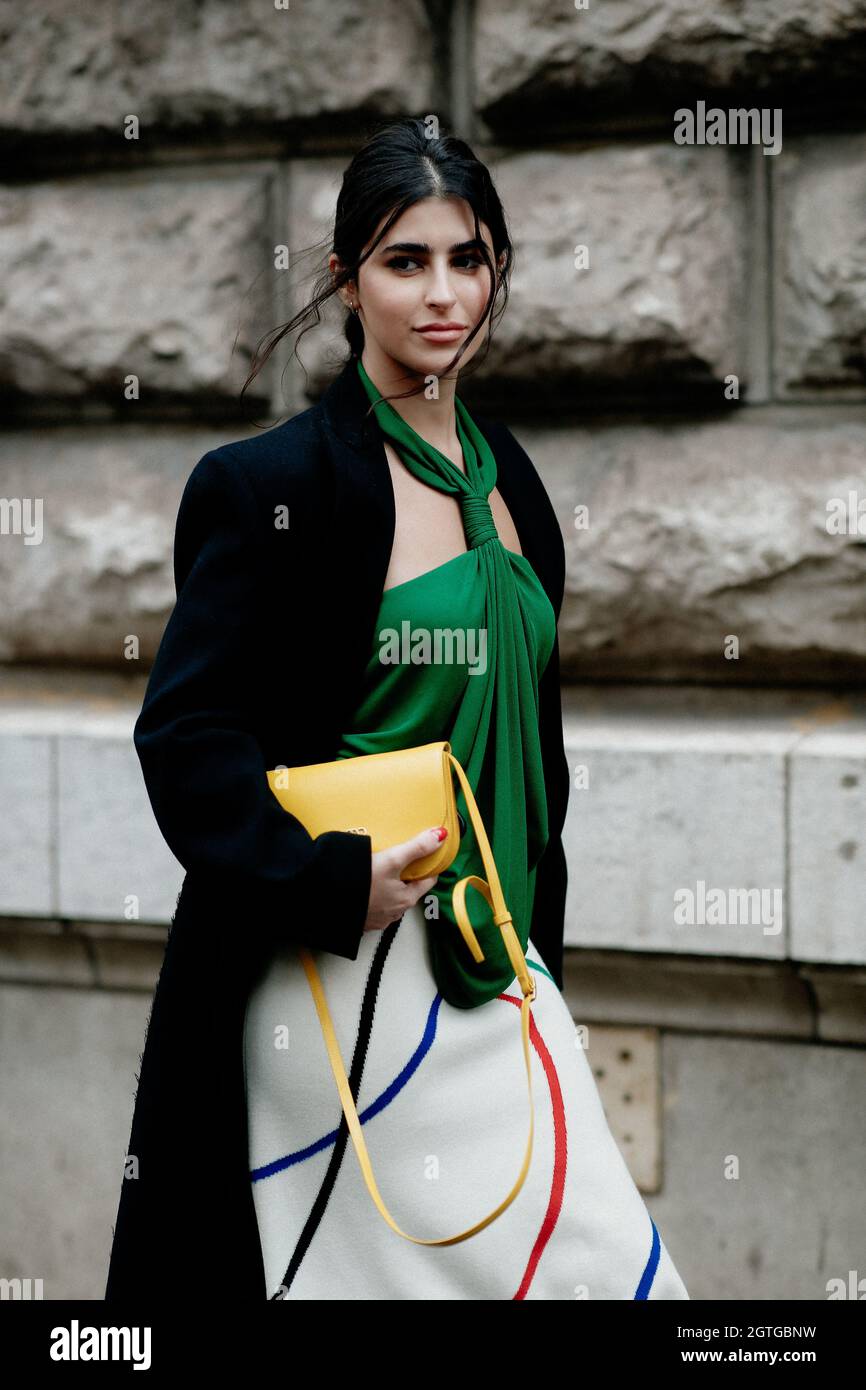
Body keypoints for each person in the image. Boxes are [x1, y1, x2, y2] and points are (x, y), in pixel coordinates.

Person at [106, 117, 688, 1301]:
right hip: (338, 983)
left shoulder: (512, 480)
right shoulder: (269, 488)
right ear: (344, 281)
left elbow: (538, 762)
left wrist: (538, 969)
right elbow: (186, 738)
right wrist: (325, 879)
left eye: (466, 260)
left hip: (496, 973)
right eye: (402, 261)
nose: (440, 294)